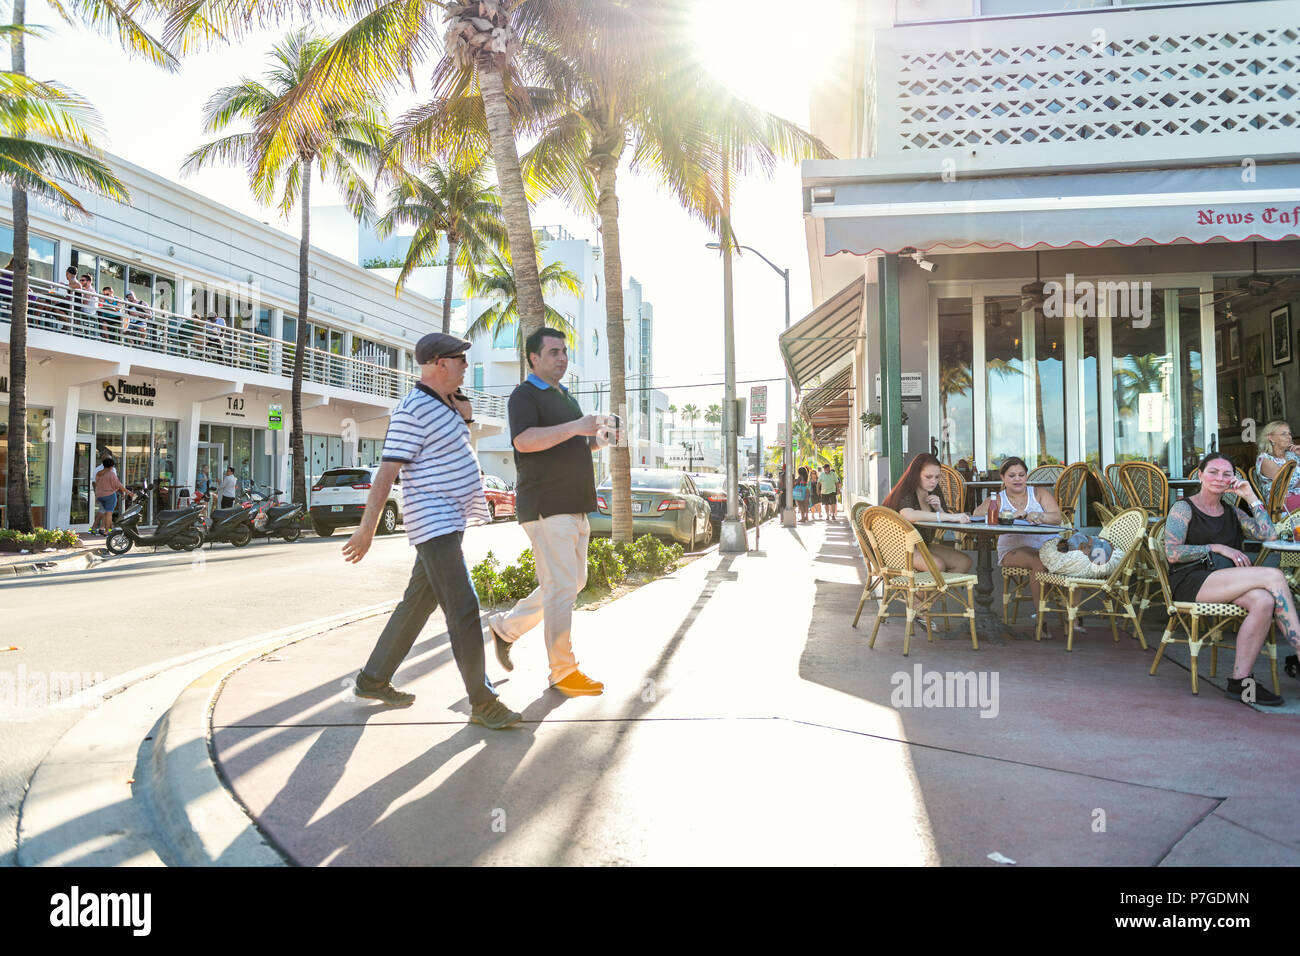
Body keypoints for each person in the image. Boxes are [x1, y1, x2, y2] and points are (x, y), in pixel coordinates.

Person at [344, 331, 521, 729]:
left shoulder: (443, 404)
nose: (465, 367)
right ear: (440, 363)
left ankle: (373, 678)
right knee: (463, 607)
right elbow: (387, 472)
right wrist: (366, 530)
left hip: (450, 520)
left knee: (417, 604)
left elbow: (456, 441)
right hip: (433, 522)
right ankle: (483, 701)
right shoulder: (412, 410)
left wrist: (463, 410)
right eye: (460, 360)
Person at [486, 327, 614, 698]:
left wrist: (598, 440)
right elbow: (525, 441)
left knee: (570, 583)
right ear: (534, 359)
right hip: (546, 506)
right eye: (554, 352)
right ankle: (563, 671)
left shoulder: (564, 395)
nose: (562, 357)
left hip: (575, 505)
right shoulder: (523, 395)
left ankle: (506, 629)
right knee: (561, 589)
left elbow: (569, 443)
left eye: (564, 352)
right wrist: (577, 426)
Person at [1165, 451, 1300, 706]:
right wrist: (1216, 547)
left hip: (1225, 579)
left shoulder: (1232, 513)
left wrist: (1250, 497)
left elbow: (1269, 535)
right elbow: (1172, 553)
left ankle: (1240, 682)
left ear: (1233, 480)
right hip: (1193, 581)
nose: (1219, 478)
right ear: (1201, 475)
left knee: (1263, 601)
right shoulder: (1184, 508)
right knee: (1274, 576)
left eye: (1226, 474)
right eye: (1213, 472)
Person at [973, 457, 1062, 614]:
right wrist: (1009, 515)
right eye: (1012, 475)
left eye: (1021, 475)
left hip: (1047, 545)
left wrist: (1038, 516)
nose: (1017, 479)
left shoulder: (1038, 493)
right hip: (1014, 548)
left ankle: (1073, 619)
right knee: (1039, 561)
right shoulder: (999, 498)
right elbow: (977, 514)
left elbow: (1056, 518)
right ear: (1003, 477)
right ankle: (1041, 618)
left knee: (1072, 558)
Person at [882, 452, 973, 574]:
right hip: (896, 548)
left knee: (963, 562)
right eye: (928, 477)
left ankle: (931, 593)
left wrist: (938, 508)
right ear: (916, 475)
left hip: (921, 545)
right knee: (937, 565)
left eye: (937, 477)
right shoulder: (906, 491)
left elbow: (943, 522)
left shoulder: (933, 490)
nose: (933, 481)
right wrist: (951, 517)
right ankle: (921, 593)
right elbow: (908, 514)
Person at [1255, 420, 1300, 512]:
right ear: (1271, 438)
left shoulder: (1292, 455)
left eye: (1289, 433)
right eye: (1284, 434)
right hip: (1280, 502)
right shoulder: (1265, 459)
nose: (1289, 437)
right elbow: (1287, 484)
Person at [92, 456, 133, 535]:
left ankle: (100, 528)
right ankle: (107, 531)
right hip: (109, 495)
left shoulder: (98, 473)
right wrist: (128, 492)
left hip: (100, 495)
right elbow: (118, 485)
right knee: (109, 514)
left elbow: (96, 484)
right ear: (111, 466)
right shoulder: (111, 474)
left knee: (103, 512)